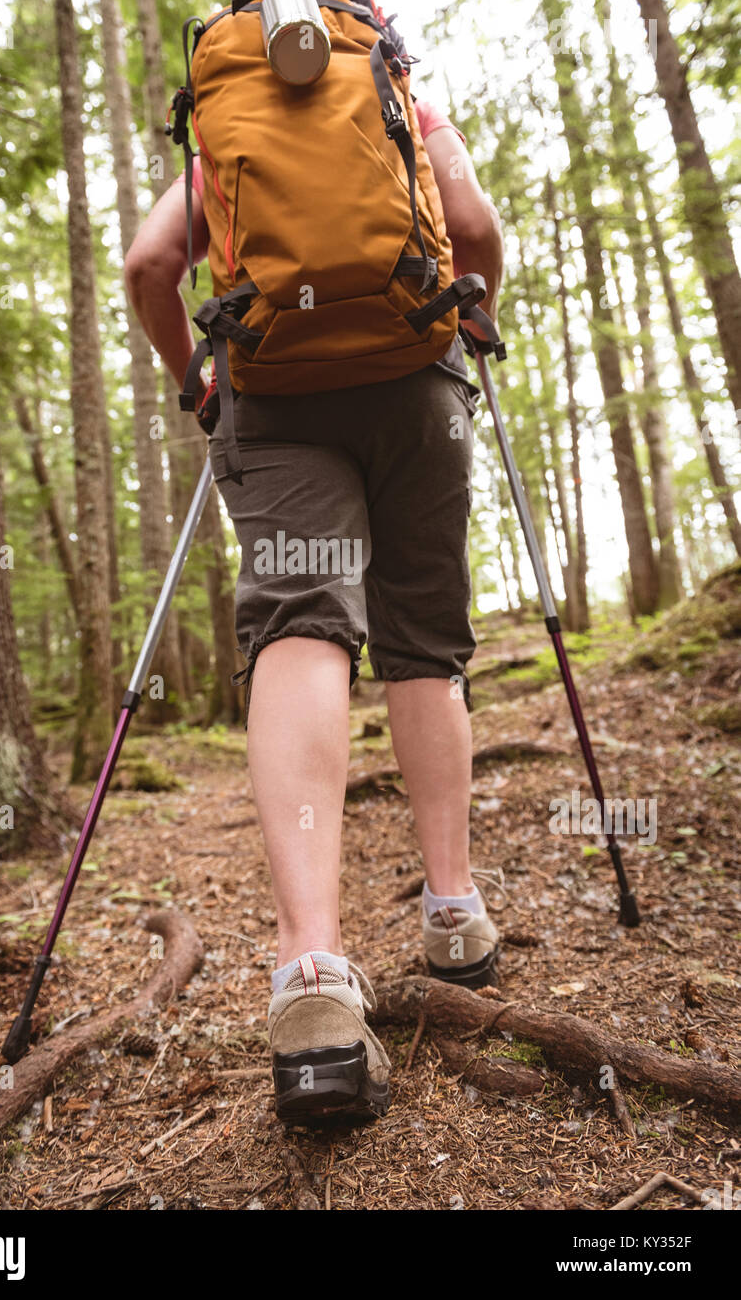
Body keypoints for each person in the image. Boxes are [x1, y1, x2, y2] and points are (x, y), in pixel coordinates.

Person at [126, 62, 505, 1122]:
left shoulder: (226, 123)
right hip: (415, 376)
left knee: (302, 621)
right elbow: (472, 229)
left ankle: (312, 976)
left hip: (278, 388)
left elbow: (152, 263)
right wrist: (468, 330)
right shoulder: (399, 104)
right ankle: (452, 912)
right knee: (425, 637)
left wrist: (197, 383)